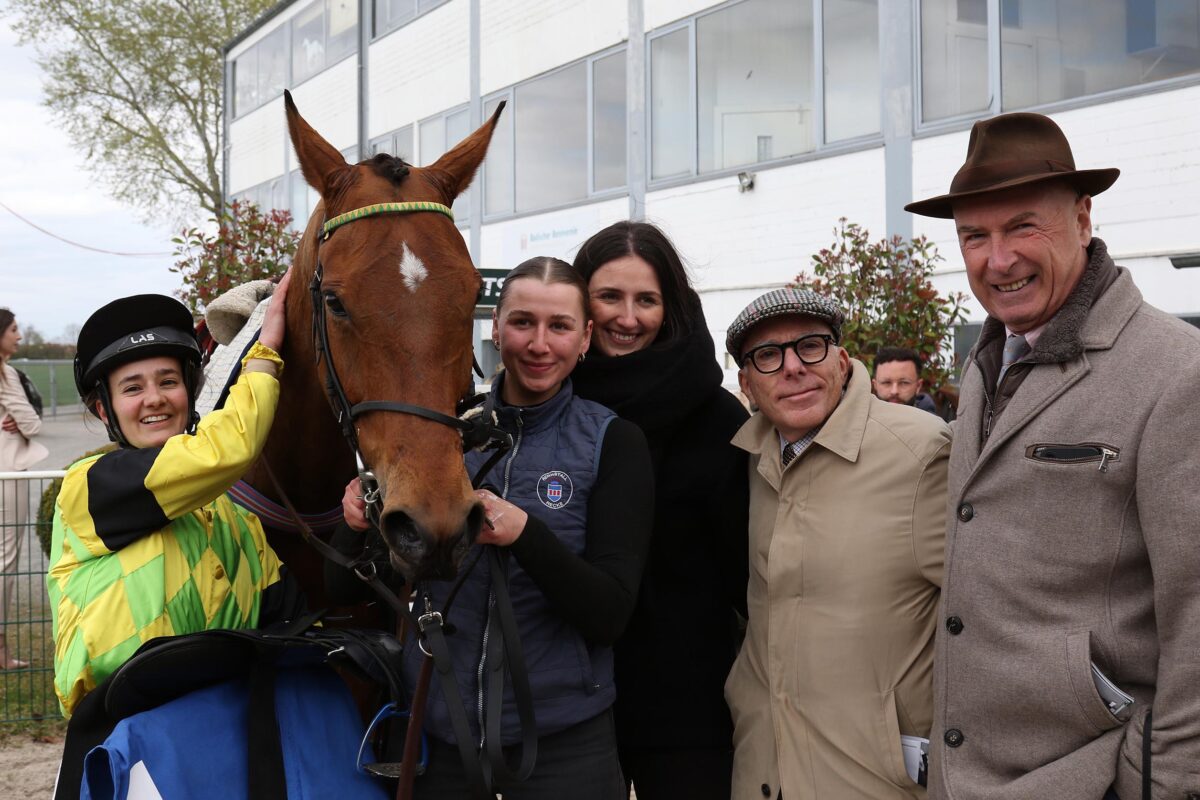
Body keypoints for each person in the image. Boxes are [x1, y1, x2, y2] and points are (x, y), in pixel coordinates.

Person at [905, 113, 1200, 800]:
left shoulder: (1175, 374)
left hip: (1092, 776)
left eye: (1022, 227)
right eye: (974, 236)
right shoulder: (986, 363)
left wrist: (1161, 783)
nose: (996, 259)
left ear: (1083, 217)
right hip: (970, 778)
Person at [338, 256, 655, 798]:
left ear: (585, 339)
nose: (539, 344)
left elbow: (610, 614)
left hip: (564, 746)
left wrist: (525, 535)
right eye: (522, 322)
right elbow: (346, 590)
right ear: (495, 327)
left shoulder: (614, 442)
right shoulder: (436, 436)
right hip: (437, 739)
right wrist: (355, 523)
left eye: (559, 327)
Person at [723, 287, 950, 800]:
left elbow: (986, 612)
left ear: (842, 361)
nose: (793, 367)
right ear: (746, 385)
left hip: (873, 777)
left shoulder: (919, 453)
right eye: (767, 355)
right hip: (764, 766)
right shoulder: (752, 460)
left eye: (811, 345)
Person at [47, 271, 306, 716]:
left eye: (168, 381)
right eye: (133, 388)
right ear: (103, 408)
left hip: (220, 731)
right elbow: (226, 449)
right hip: (120, 734)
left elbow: (294, 626)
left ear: (189, 391)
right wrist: (264, 355)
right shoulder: (87, 488)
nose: (155, 399)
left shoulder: (235, 518)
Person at [571, 220, 748, 800]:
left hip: (688, 706)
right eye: (610, 297)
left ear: (671, 307)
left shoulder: (718, 418)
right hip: (568, 698)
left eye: (646, 299)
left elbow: (748, 574)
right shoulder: (550, 407)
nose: (628, 317)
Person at [0, 308, 48, 669]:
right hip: (7, 474)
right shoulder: (6, 374)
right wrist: (19, 420)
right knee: (7, 559)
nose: (19, 336)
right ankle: (0, 651)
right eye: (14, 329)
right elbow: (31, 423)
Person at [872, 347, 938, 414]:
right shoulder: (862, 421)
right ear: (875, 385)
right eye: (886, 382)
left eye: (904, 383)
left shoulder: (933, 424)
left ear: (918, 386)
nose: (894, 391)